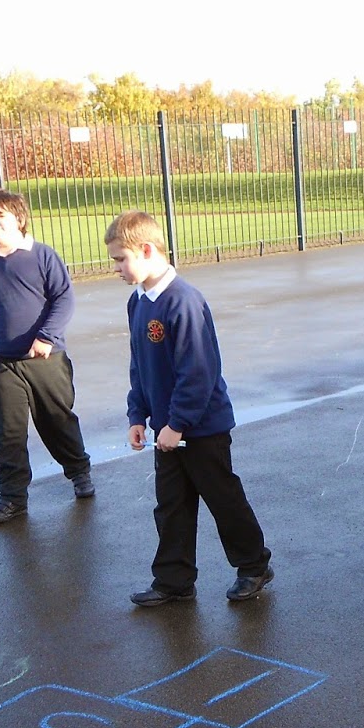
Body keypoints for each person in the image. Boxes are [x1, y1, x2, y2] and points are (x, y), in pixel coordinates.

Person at [106, 210, 273, 607]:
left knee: (222, 498)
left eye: (121, 259)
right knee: (171, 506)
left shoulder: (182, 301)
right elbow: (140, 366)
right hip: (168, 430)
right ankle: (174, 580)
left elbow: (198, 371)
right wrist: (137, 415)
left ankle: (253, 566)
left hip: (201, 428)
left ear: (147, 250)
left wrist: (178, 423)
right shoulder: (138, 302)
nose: (116, 268)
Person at [0, 190, 94, 524]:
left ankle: (78, 471)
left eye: (0, 215)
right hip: (3, 365)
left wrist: (46, 337)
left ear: (19, 219)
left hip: (47, 361)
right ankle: (12, 498)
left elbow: (64, 299)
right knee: (7, 434)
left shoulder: (42, 256)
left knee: (56, 422)